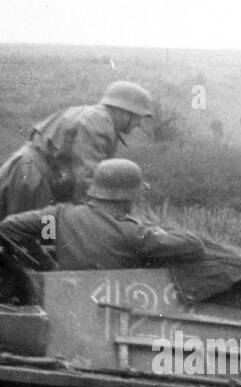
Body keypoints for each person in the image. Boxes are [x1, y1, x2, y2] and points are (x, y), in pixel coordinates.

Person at [0, 158, 204, 271]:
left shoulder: (57, 217)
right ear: (130, 196)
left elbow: (10, 228)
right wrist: (156, 228)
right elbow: (193, 244)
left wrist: (44, 263)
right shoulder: (132, 232)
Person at [0, 81, 154, 218]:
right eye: (138, 116)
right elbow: (87, 178)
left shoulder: (90, 114)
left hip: (23, 171)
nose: (139, 123)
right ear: (124, 111)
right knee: (37, 242)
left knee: (16, 237)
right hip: (36, 181)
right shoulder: (98, 123)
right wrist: (95, 220)